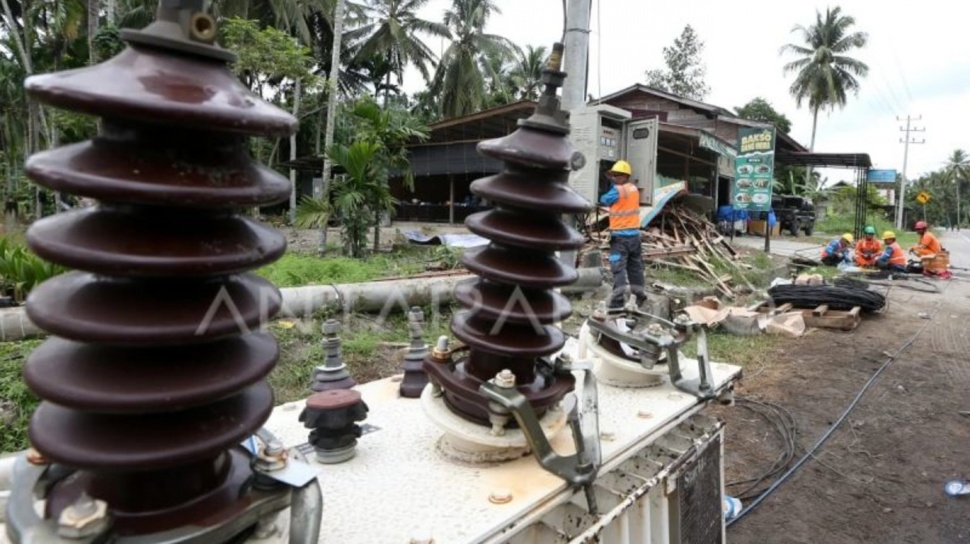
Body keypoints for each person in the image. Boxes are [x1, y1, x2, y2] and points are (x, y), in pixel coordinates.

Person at [600, 160, 645, 309]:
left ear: (624, 176)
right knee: (635, 268)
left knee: (618, 268)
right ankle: (639, 296)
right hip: (635, 236)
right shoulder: (633, 188)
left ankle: (617, 300)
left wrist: (610, 187)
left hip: (620, 238)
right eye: (613, 175)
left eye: (616, 175)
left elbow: (604, 200)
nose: (614, 178)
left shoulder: (618, 190)